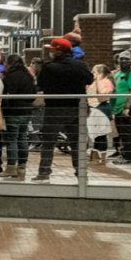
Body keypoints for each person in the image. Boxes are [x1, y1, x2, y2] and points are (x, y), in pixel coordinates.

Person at [32, 38, 94, 181]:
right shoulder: (80, 65)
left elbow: (40, 85)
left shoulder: (49, 67)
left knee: (48, 142)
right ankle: (81, 173)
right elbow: (89, 80)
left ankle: (44, 172)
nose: (51, 52)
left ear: (58, 50)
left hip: (54, 108)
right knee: (77, 143)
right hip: (76, 108)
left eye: (52, 49)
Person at [0, 54, 35, 179]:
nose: (4, 65)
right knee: (23, 137)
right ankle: (22, 168)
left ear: (10, 64)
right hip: (26, 112)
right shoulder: (28, 77)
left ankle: (11, 167)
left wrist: (3, 108)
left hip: (13, 112)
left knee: (12, 139)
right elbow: (34, 95)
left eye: (6, 63)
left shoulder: (9, 78)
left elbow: (6, 97)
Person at [111, 50, 131, 165]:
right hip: (119, 108)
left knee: (128, 133)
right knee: (123, 133)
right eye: (122, 59)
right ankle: (128, 155)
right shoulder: (119, 73)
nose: (124, 61)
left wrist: (127, 107)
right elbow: (116, 89)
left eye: (126, 59)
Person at [85, 64, 114, 163]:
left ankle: (100, 156)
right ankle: (97, 156)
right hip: (95, 108)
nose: (93, 74)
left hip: (98, 108)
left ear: (100, 73)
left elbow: (104, 95)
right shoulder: (98, 82)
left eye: (94, 72)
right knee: (97, 133)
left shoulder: (103, 82)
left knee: (100, 133)